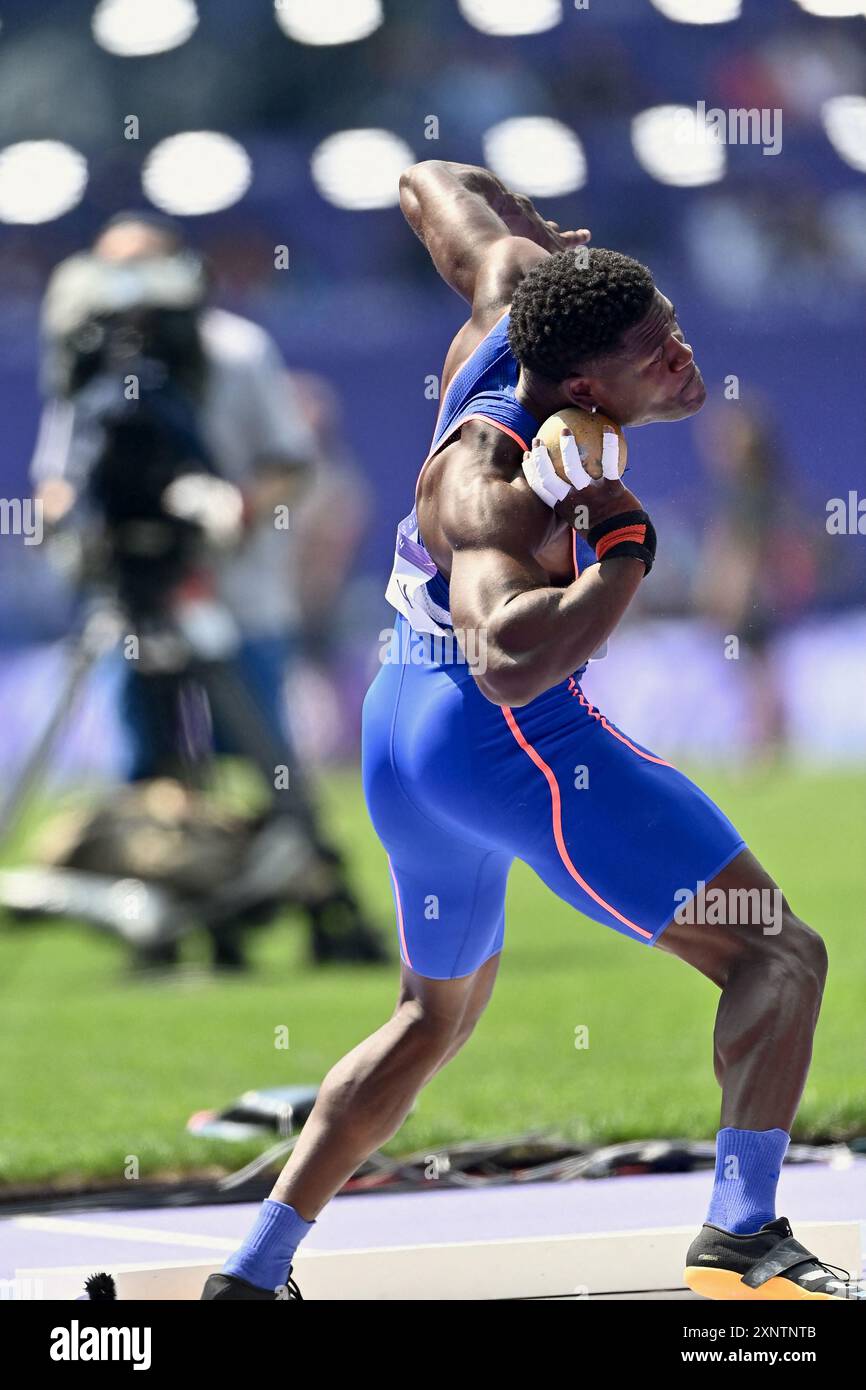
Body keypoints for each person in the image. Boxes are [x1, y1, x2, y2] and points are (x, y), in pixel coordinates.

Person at [204, 162, 840, 1301]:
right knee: (776, 952)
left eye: (676, 328)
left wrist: (549, 236)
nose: (683, 357)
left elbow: (430, 178)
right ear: (584, 383)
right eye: (655, 356)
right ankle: (740, 1240)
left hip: (405, 731)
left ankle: (252, 1273)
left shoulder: (520, 285)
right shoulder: (490, 484)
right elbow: (505, 662)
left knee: (426, 1016)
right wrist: (620, 544)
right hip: (503, 735)